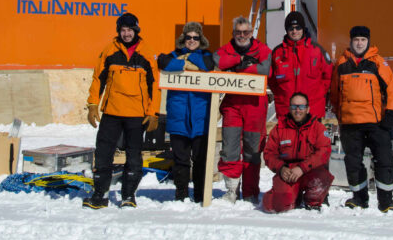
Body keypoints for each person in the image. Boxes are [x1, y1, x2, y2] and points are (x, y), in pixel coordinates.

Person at [83, 12, 159, 209]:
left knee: (134, 156)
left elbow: (154, 86)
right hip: (112, 112)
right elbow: (98, 79)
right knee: (103, 154)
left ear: (136, 31)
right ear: (119, 32)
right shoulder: (109, 51)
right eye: (123, 30)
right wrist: (92, 104)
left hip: (137, 115)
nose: (126, 34)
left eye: (130, 30)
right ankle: (100, 195)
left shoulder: (146, 55)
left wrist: (153, 113)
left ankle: (128, 196)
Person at [330, 25, 393, 212]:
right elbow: (334, 93)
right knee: (353, 163)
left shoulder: (378, 63)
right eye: (356, 40)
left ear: (368, 41)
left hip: (376, 123)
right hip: (350, 124)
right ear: (351, 41)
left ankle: (386, 201)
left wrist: (390, 115)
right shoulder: (341, 64)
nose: (359, 43)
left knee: (384, 161)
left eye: (363, 40)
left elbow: (392, 91)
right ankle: (359, 198)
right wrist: (339, 114)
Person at [215, 16, 271, 203]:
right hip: (233, 106)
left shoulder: (262, 49)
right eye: (238, 32)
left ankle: (250, 192)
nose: (242, 35)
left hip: (255, 106)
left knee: (252, 151)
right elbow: (217, 61)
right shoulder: (227, 49)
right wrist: (240, 60)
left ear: (251, 33)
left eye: (246, 32)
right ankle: (231, 190)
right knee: (230, 149)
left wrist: (239, 69)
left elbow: (266, 70)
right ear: (233, 33)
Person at [157, 22, 214, 203]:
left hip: (200, 118)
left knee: (199, 159)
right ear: (183, 38)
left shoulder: (206, 55)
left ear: (201, 39)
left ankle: (199, 195)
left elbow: (209, 64)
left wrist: (191, 61)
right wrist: (184, 64)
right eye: (188, 37)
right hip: (178, 116)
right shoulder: (175, 55)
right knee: (180, 160)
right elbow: (162, 61)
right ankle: (181, 194)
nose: (191, 41)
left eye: (195, 38)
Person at [262, 92, 334, 213]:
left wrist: (302, 168)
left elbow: (324, 152)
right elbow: (269, 153)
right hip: (288, 172)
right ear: (290, 108)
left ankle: (313, 201)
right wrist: (281, 168)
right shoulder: (280, 128)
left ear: (307, 109)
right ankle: (293, 196)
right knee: (278, 206)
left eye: (301, 107)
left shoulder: (318, 128)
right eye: (294, 106)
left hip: (310, 170)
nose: (297, 110)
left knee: (320, 179)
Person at [269, 11, 333, 121]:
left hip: (313, 111)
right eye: (291, 28)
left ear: (303, 29)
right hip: (286, 112)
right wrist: (281, 96)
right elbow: (271, 80)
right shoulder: (277, 53)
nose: (295, 31)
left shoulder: (316, 50)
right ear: (286, 30)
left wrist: (320, 94)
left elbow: (328, 76)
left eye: (298, 27)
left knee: (312, 139)